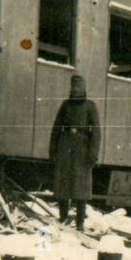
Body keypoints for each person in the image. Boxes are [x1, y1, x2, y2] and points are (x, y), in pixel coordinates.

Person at [49, 73, 100, 231]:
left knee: (81, 186)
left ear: (84, 88)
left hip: (82, 150)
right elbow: (56, 128)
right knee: (64, 183)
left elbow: (96, 132)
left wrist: (93, 153)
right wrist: (53, 150)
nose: (76, 89)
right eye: (74, 86)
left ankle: (80, 223)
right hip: (65, 147)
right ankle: (63, 218)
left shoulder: (90, 106)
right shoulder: (65, 105)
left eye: (79, 86)